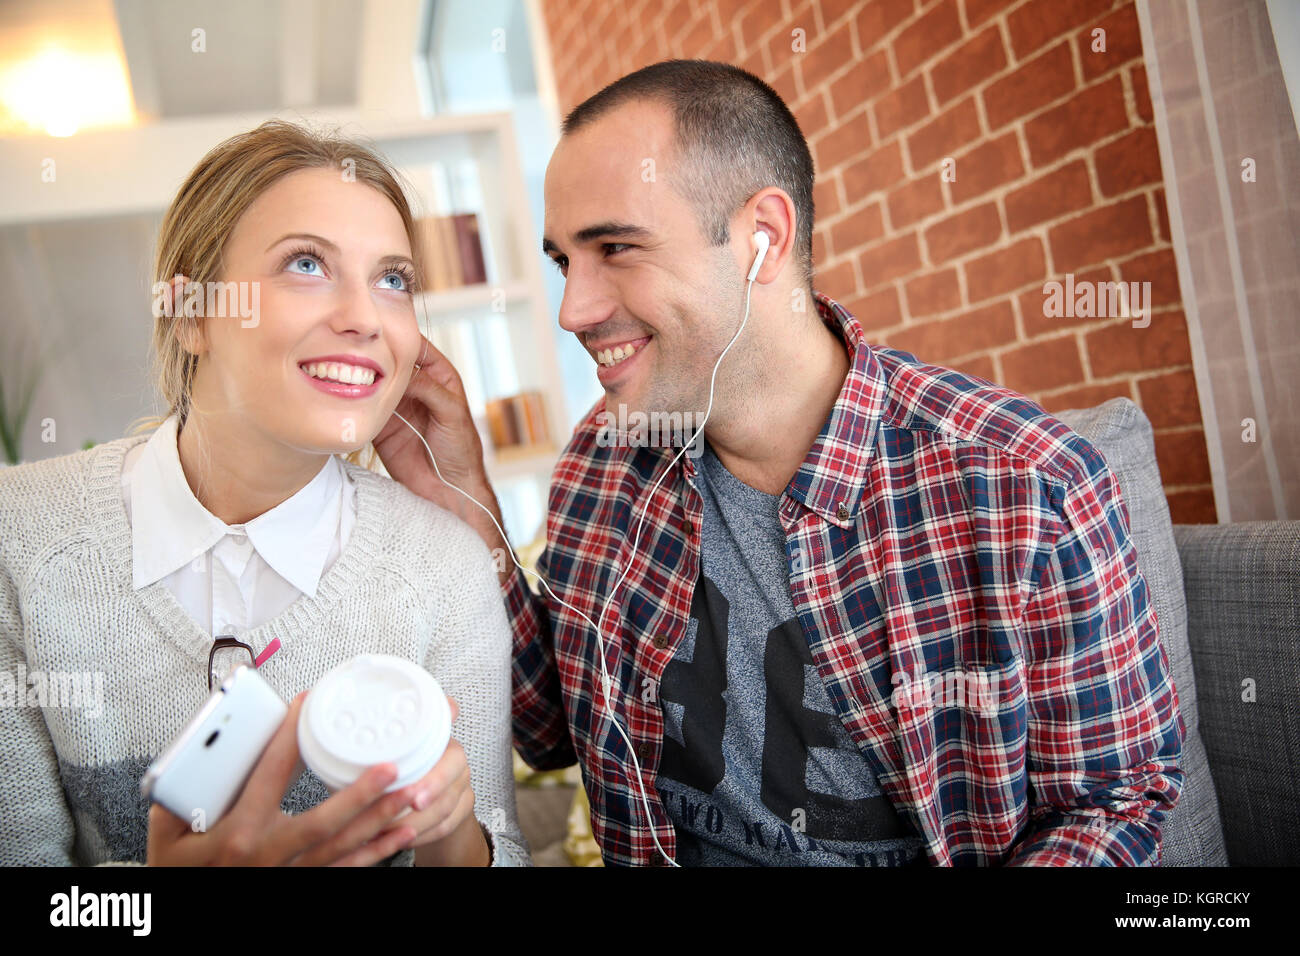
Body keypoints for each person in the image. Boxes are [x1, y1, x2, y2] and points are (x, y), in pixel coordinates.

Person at [377, 59, 1185, 866]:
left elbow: (1115, 801)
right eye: (562, 261)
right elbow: (552, 732)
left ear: (762, 236)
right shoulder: (602, 460)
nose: (573, 310)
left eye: (616, 247)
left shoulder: (1025, 486)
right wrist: (455, 489)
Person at [0, 120, 528, 866]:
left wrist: (448, 835)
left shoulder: (445, 565)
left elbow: (500, 854)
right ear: (191, 314)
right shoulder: (18, 536)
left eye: (393, 280)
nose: (363, 317)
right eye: (307, 263)